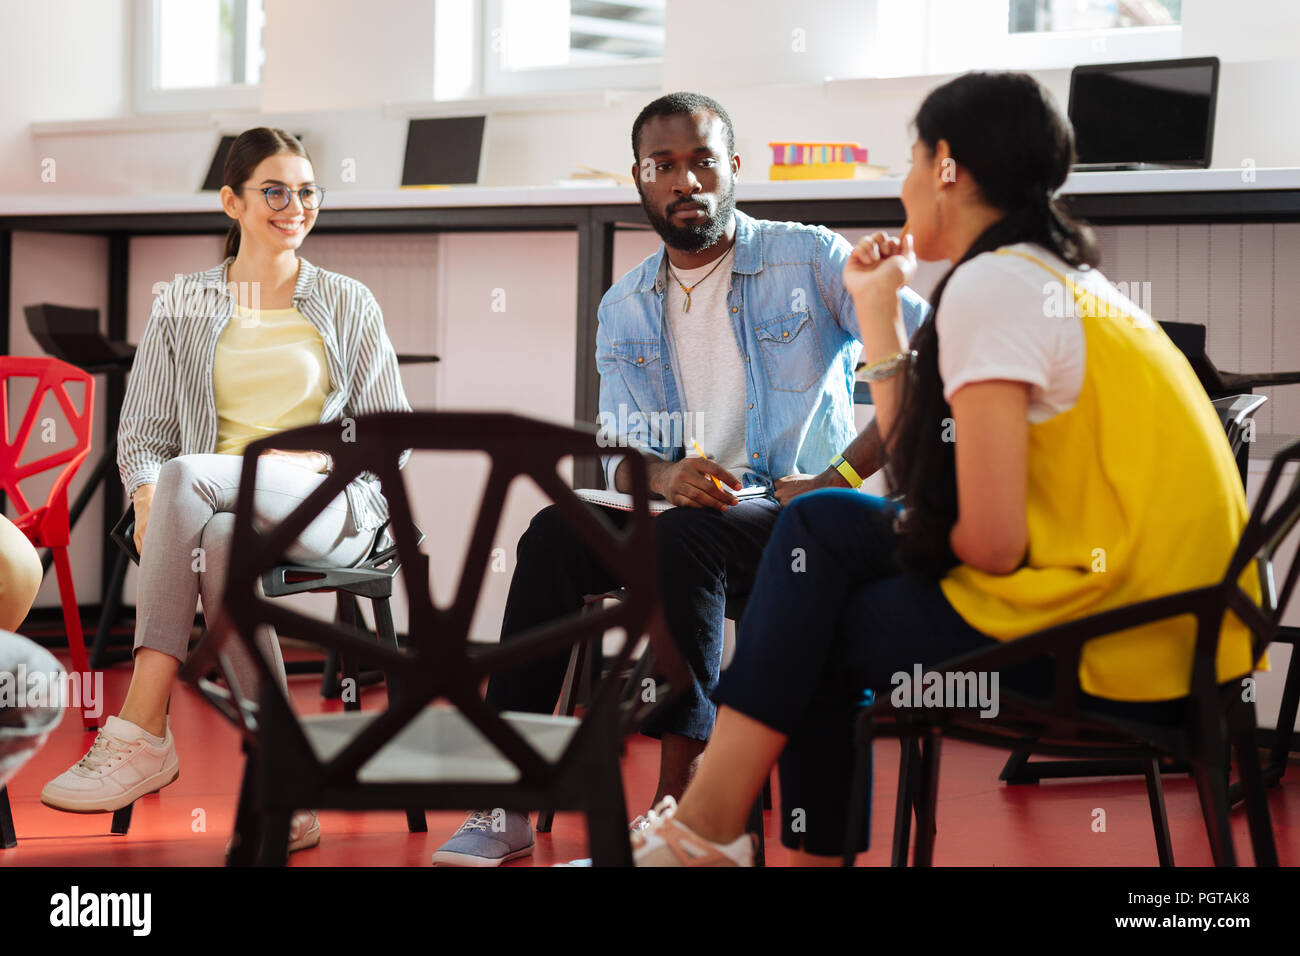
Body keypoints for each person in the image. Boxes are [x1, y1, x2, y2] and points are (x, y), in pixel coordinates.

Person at [626, 71, 1263, 866]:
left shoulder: (995, 289)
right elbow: (935, 475)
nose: (904, 181)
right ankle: (714, 828)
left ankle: (719, 831)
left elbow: (988, 543)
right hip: (1184, 632)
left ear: (948, 169)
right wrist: (876, 311)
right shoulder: (1050, 277)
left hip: (1116, 640)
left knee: (810, 605)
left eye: (912, 159)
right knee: (818, 524)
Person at [432, 92, 928, 865]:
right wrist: (662, 477)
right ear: (639, 178)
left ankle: (686, 806)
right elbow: (622, 444)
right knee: (553, 533)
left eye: (702, 161)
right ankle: (512, 796)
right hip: (687, 515)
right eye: (663, 166)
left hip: (796, 518)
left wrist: (836, 473)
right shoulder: (625, 303)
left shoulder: (808, 258)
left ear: (733, 167)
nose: (685, 181)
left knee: (687, 540)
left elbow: (923, 359)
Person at [40, 128, 412, 858]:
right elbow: (142, 433)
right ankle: (288, 778)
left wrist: (316, 452)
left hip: (325, 500)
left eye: (307, 191)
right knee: (215, 541)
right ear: (231, 201)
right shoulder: (184, 302)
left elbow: (386, 434)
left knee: (187, 476)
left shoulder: (347, 301)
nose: (294, 205)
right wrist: (147, 494)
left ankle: (143, 722)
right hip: (217, 508)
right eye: (275, 190)